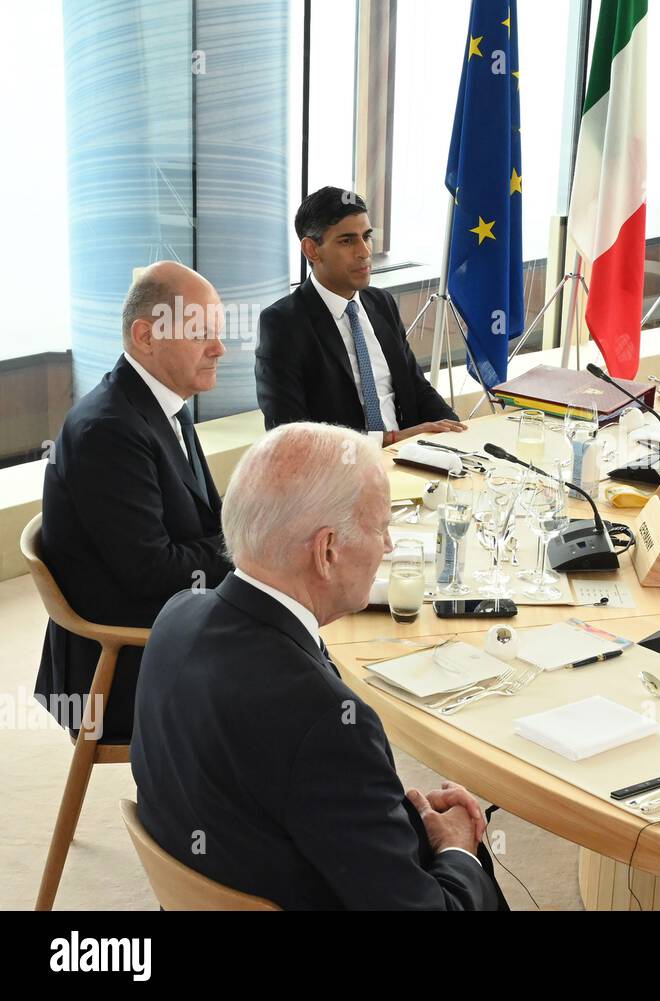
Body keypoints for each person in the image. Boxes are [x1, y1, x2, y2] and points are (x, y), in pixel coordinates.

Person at [131, 423, 505, 910]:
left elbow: (281, 790)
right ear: (327, 551)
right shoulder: (325, 721)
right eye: (380, 527)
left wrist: (387, 816)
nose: (389, 546)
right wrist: (456, 847)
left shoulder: (177, 614)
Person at [36, 262, 232, 743]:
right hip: (124, 658)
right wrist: (255, 547)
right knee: (292, 666)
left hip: (164, 618)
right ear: (146, 336)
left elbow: (204, 519)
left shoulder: (164, 402)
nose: (220, 348)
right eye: (201, 333)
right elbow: (151, 570)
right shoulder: (108, 431)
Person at [255, 187, 467, 443]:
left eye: (366, 237)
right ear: (312, 250)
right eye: (347, 241)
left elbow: (418, 389)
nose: (364, 252)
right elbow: (291, 437)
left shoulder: (382, 303)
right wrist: (390, 439)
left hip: (408, 454)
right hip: (345, 465)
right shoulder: (282, 324)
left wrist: (458, 434)